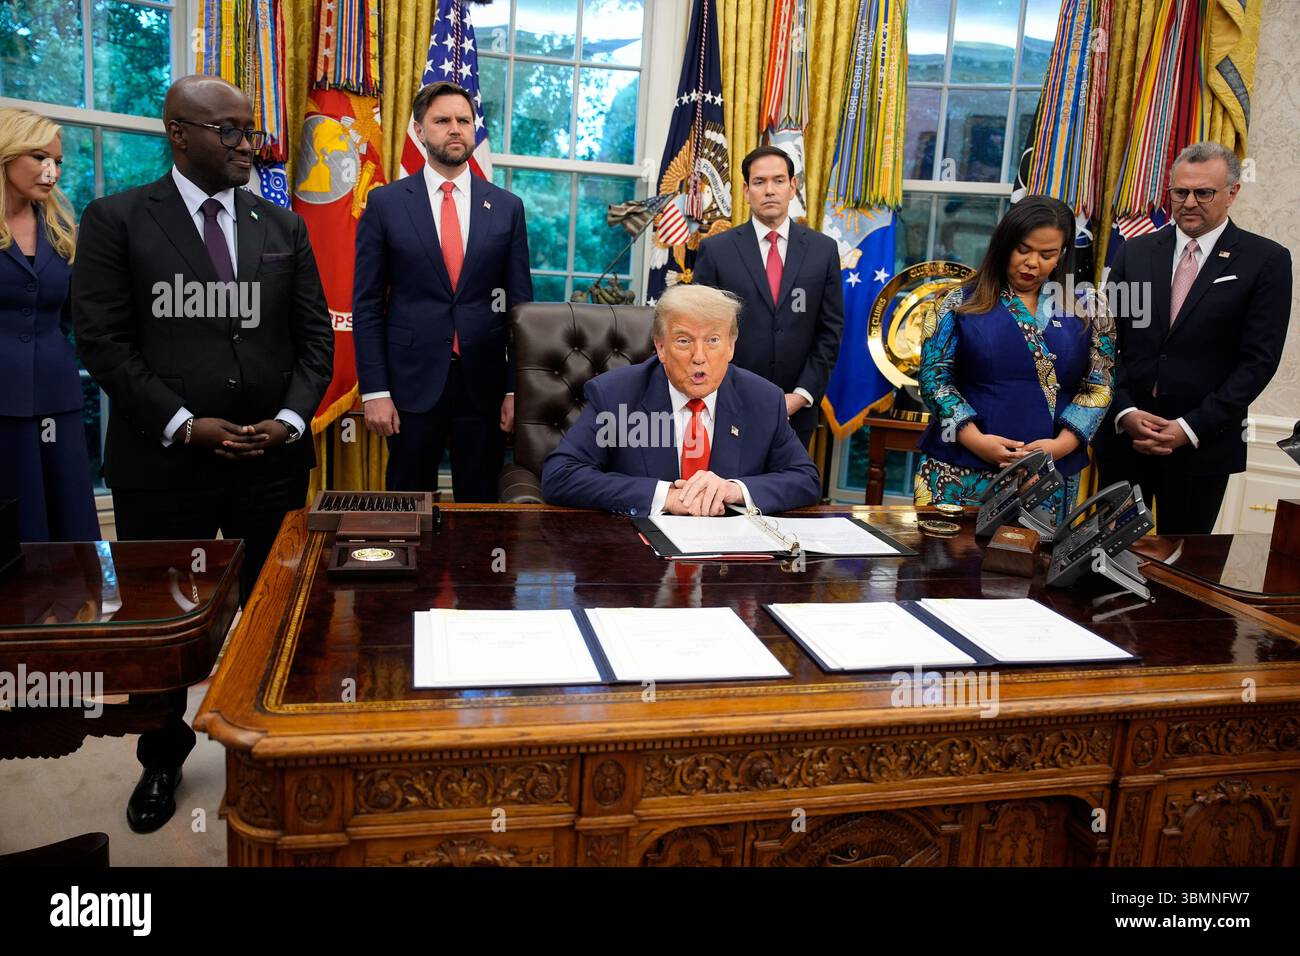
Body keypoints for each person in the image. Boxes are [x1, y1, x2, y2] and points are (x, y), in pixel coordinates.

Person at [71, 75, 334, 833]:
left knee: (277, 621)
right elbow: (104, 343)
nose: (248, 144)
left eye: (249, 130)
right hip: (166, 467)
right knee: (164, 630)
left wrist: (289, 419)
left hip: (271, 462)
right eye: (229, 131)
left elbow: (316, 340)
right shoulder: (116, 219)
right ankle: (163, 756)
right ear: (178, 135)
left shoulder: (281, 226)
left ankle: (265, 747)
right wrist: (187, 423)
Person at [1096, 141, 1293, 534]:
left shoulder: (1265, 260)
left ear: (1232, 192)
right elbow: (1104, 344)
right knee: (1102, 563)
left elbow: (1258, 362)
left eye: (1203, 192)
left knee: (1181, 574)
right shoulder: (1135, 252)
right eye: (1179, 192)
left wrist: (1187, 427)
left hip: (1202, 447)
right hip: (1125, 442)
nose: (1189, 202)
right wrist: (1124, 411)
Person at [353, 81, 532, 500]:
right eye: (442, 120)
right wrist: (375, 392)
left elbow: (520, 310)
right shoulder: (386, 204)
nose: (455, 129)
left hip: (483, 389)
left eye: (463, 120)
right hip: (409, 388)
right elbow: (366, 306)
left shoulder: (507, 207)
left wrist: (514, 388)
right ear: (419, 130)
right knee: (407, 509)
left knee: (481, 512)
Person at [914, 195, 1116, 523]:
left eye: (1047, 254)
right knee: (945, 567)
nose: (1032, 263)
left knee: (1031, 571)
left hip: (1049, 474)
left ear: (1063, 253)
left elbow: (1099, 386)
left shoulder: (1090, 307)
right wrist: (976, 439)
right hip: (959, 467)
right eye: (1023, 249)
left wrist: (1060, 446)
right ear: (1003, 243)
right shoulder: (956, 301)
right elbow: (934, 378)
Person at [541, 284, 820, 515]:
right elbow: (560, 476)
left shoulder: (762, 399)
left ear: (731, 346)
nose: (699, 356)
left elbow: (805, 479)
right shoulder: (616, 396)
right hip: (637, 565)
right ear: (661, 348)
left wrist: (733, 489)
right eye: (684, 341)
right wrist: (666, 497)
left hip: (728, 568)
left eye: (712, 340)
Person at [691, 144, 844, 446]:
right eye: (760, 182)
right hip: (728, 405)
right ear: (747, 190)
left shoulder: (822, 251)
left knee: (786, 493)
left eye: (778, 180)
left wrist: (800, 396)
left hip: (797, 411)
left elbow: (830, 331)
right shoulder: (717, 251)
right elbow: (702, 330)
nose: (770, 190)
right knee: (726, 492)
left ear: (792, 186)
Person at [0, 108, 99, 542]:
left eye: (57, 162)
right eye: (40, 157)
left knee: (68, 521)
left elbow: (73, 318)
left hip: (58, 399)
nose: (51, 171)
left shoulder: (62, 229)